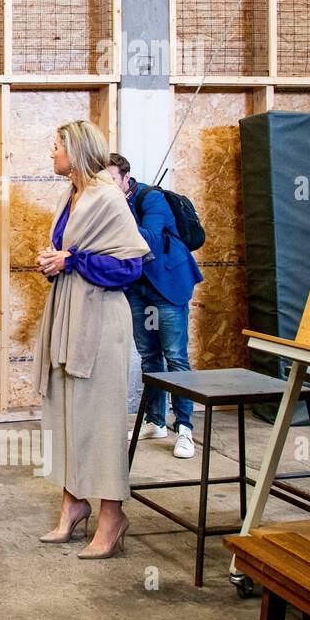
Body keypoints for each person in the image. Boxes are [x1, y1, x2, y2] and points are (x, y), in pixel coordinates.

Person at [35, 121, 150, 559]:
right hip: (69, 315)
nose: (52, 153)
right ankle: (74, 503)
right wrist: (55, 259)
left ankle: (112, 516)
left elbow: (129, 268)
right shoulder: (72, 194)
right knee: (67, 411)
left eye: (57, 146)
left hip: (100, 322)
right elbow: (71, 253)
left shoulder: (108, 198)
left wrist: (73, 260)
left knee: (101, 421)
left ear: (77, 151)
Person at [107, 153, 204, 460]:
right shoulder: (111, 201)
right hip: (138, 286)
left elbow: (146, 238)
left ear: (126, 178)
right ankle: (155, 421)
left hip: (168, 285)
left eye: (112, 182)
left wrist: (119, 209)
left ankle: (185, 428)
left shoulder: (152, 199)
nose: (107, 188)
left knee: (175, 356)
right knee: (149, 355)